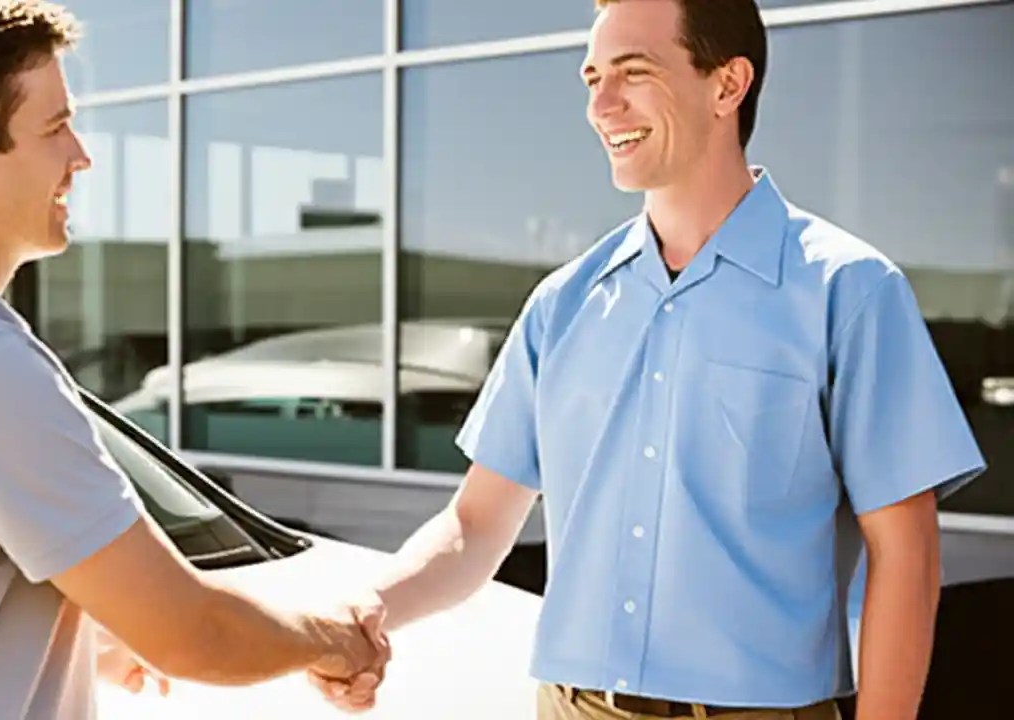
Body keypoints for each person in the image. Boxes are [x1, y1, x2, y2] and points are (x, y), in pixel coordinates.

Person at [311, 0, 987, 718]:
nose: (602, 105)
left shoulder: (849, 292)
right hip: (571, 708)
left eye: (634, 73)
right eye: (592, 77)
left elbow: (907, 557)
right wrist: (371, 605)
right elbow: (476, 525)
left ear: (727, 85)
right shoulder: (562, 303)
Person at [0, 2, 388, 718]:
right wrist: (332, 642)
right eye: (54, 126)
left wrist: (92, 638)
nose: (81, 155)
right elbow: (192, 633)